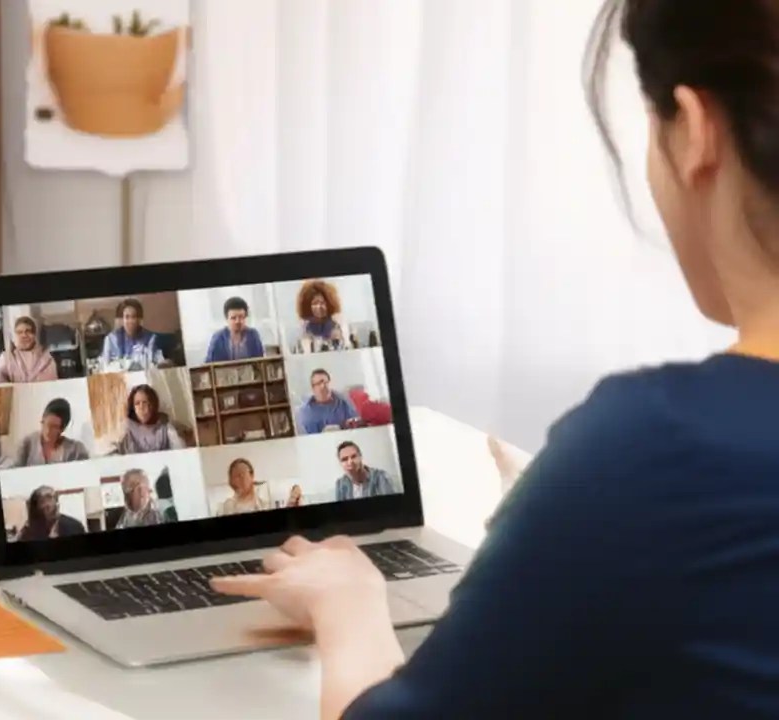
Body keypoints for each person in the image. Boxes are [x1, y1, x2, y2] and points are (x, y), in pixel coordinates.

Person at [212, 1, 779, 716]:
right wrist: (570, 520)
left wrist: (347, 605)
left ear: (697, 132)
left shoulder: (656, 451)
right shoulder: (652, 467)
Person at [10, 398, 91, 467]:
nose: (48, 431)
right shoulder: (26, 444)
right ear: (42, 420)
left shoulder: (76, 450)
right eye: (46, 424)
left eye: (54, 427)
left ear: (62, 429)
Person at [115, 384, 188, 455]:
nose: (141, 407)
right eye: (137, 403)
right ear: (133, 408)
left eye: (145, 402)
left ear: (152, 405)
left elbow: (181, 451)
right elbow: (109, 451)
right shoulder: (124, 428)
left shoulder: (165, 425)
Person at [0, 316, 58, 385]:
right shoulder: (6, 358)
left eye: (28, 331)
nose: (24, 335)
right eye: (19, 332)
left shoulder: (47, 359)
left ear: (34, 335)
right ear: (15, 336)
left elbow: (50, 384)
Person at [99, 298, 166, 370]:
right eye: (127, 317)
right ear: (122, 320)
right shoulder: (111, 339)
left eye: (133, 317)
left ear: (139, 320)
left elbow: (157, 363)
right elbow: (104, 367)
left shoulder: (150, 338)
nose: (130, 321)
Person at [296, 369, 360, 434]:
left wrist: (343, 427)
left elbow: (355, 423)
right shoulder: (306, 411)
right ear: (313, 388)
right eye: (318, 383)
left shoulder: (343, 401)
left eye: (325, 382)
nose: (323, 386)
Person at [204, 297, 266, 363]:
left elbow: (260, 360)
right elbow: (210, 363)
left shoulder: (253, 335)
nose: (237, 321)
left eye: (241, 317)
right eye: (233, 318)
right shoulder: (218, 337)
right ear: (226, 318)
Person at [333, 441, 399, 501]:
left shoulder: (381, 477)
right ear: (340, 463)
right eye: (344, 459)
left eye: (353, 456)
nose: (350, 462)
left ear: (360, 457)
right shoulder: (340, 484)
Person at [16, 486, 86, 541]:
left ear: (57, 502)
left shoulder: (74, 526)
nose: (47, 505)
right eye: (42, 501)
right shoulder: (29, 530)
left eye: (49, 499)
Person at [294, 279, 346, 352]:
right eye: (315, 303)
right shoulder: (305, 330)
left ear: (329, 304)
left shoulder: (336, 326)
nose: (319, 307)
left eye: (322, 303)